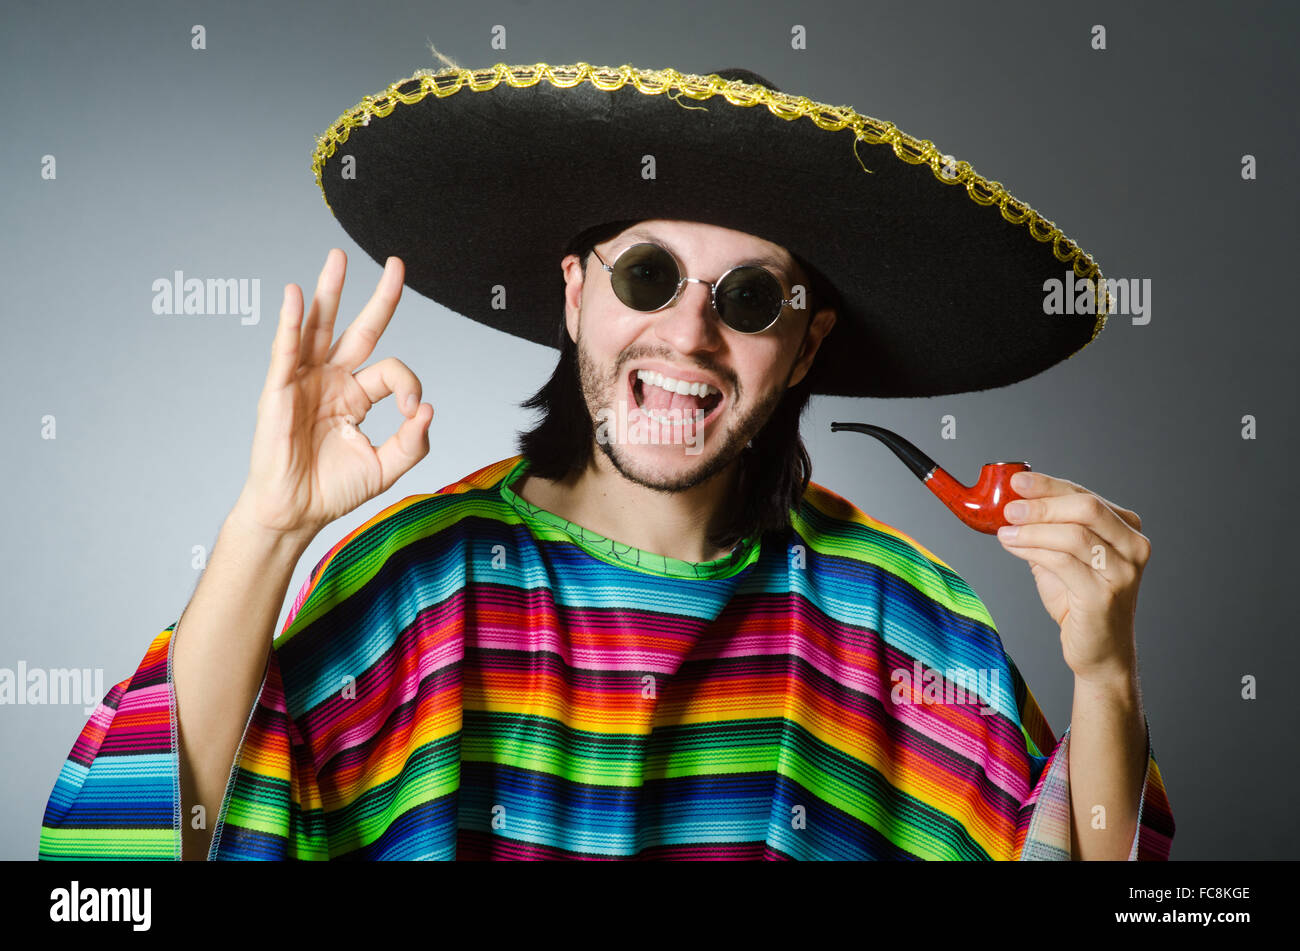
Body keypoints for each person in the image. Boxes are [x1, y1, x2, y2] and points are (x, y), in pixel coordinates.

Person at [38, 62, 1173, 861]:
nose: (688, 336)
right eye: (646, 278)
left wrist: (1106, 677)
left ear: (804, 345)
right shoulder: (421, 586)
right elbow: (127, 867)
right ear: (576, 295)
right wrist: (267, 531)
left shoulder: (901, 620)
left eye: (748, 299)